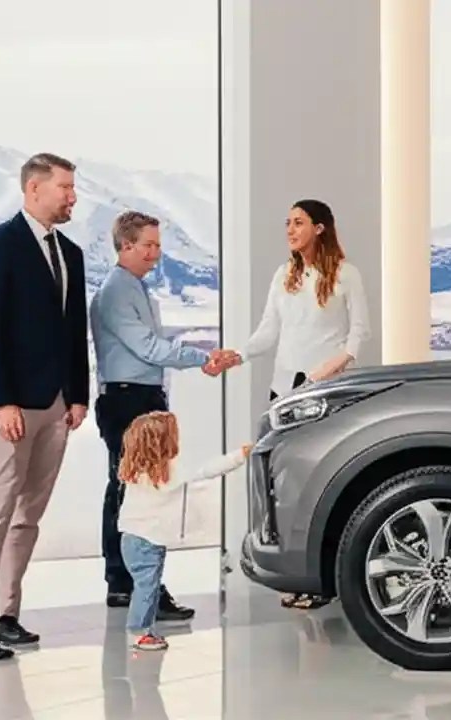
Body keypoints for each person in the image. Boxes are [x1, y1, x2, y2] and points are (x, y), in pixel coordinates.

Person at [0, 153, 90, 660]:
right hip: (5, 404)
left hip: (55, 405)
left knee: (28, 514)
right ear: (34, 189)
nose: (73, 197)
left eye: (73, 188)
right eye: (65, 188)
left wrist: (77, 394)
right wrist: (0, 401)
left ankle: (5, 615)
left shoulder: (70, 253)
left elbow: (75, 329)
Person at [90, 210, 240, 619]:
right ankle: (135, 585)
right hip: (127, 401)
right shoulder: (117, 292)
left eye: (158, 245)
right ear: (126, 246)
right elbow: (148, 348)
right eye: (149, 245)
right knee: (134, 493)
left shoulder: (134, 289)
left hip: (139, 397)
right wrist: (202, 358)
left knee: (130, 490)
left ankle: (132, 583)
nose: (156, 253)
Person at [229, 199, 369, 609]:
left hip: (324, 393)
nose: (290, 230)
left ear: (321, 227)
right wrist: (237, 355)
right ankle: (292, 571)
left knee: (320, 479)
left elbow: (358, 335)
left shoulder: (346, 275)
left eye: (299, 222)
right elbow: (267, 333)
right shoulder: (283, 275)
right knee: (282, 482)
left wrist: (330, 369)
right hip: (284, 392)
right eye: (287, 223)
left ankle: (322, 575)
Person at [114, 411, 251, 650]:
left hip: (130, 537)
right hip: (147, 541)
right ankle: (139, 633)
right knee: (147, 588)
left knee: (145, 587)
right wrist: (240, 455)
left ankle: (144, 630)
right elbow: (209, 469)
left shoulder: (135, 470)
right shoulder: (170, 471)